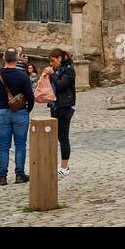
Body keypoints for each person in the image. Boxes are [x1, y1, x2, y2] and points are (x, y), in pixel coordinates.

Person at [0, 47, 34, 185]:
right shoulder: (23, 76)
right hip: (20, 113)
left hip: (2, 113)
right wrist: (26, 110)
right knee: (20, 145)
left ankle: (2, 177)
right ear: (17, 59)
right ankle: (19, 175)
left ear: (3, 58)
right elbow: (30, 97)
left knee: (3, 146)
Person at [42, 49, 76, 178]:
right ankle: (61, 164)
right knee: (58, 136)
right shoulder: (57, 69)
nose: (52, 64)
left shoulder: (69, 69)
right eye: (50, 61)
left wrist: (52, 75)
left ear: (60, 58)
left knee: (63, 136)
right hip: (55, 105)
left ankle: (64, 166)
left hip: (65, 106)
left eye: (53, 61)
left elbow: (61, 85)